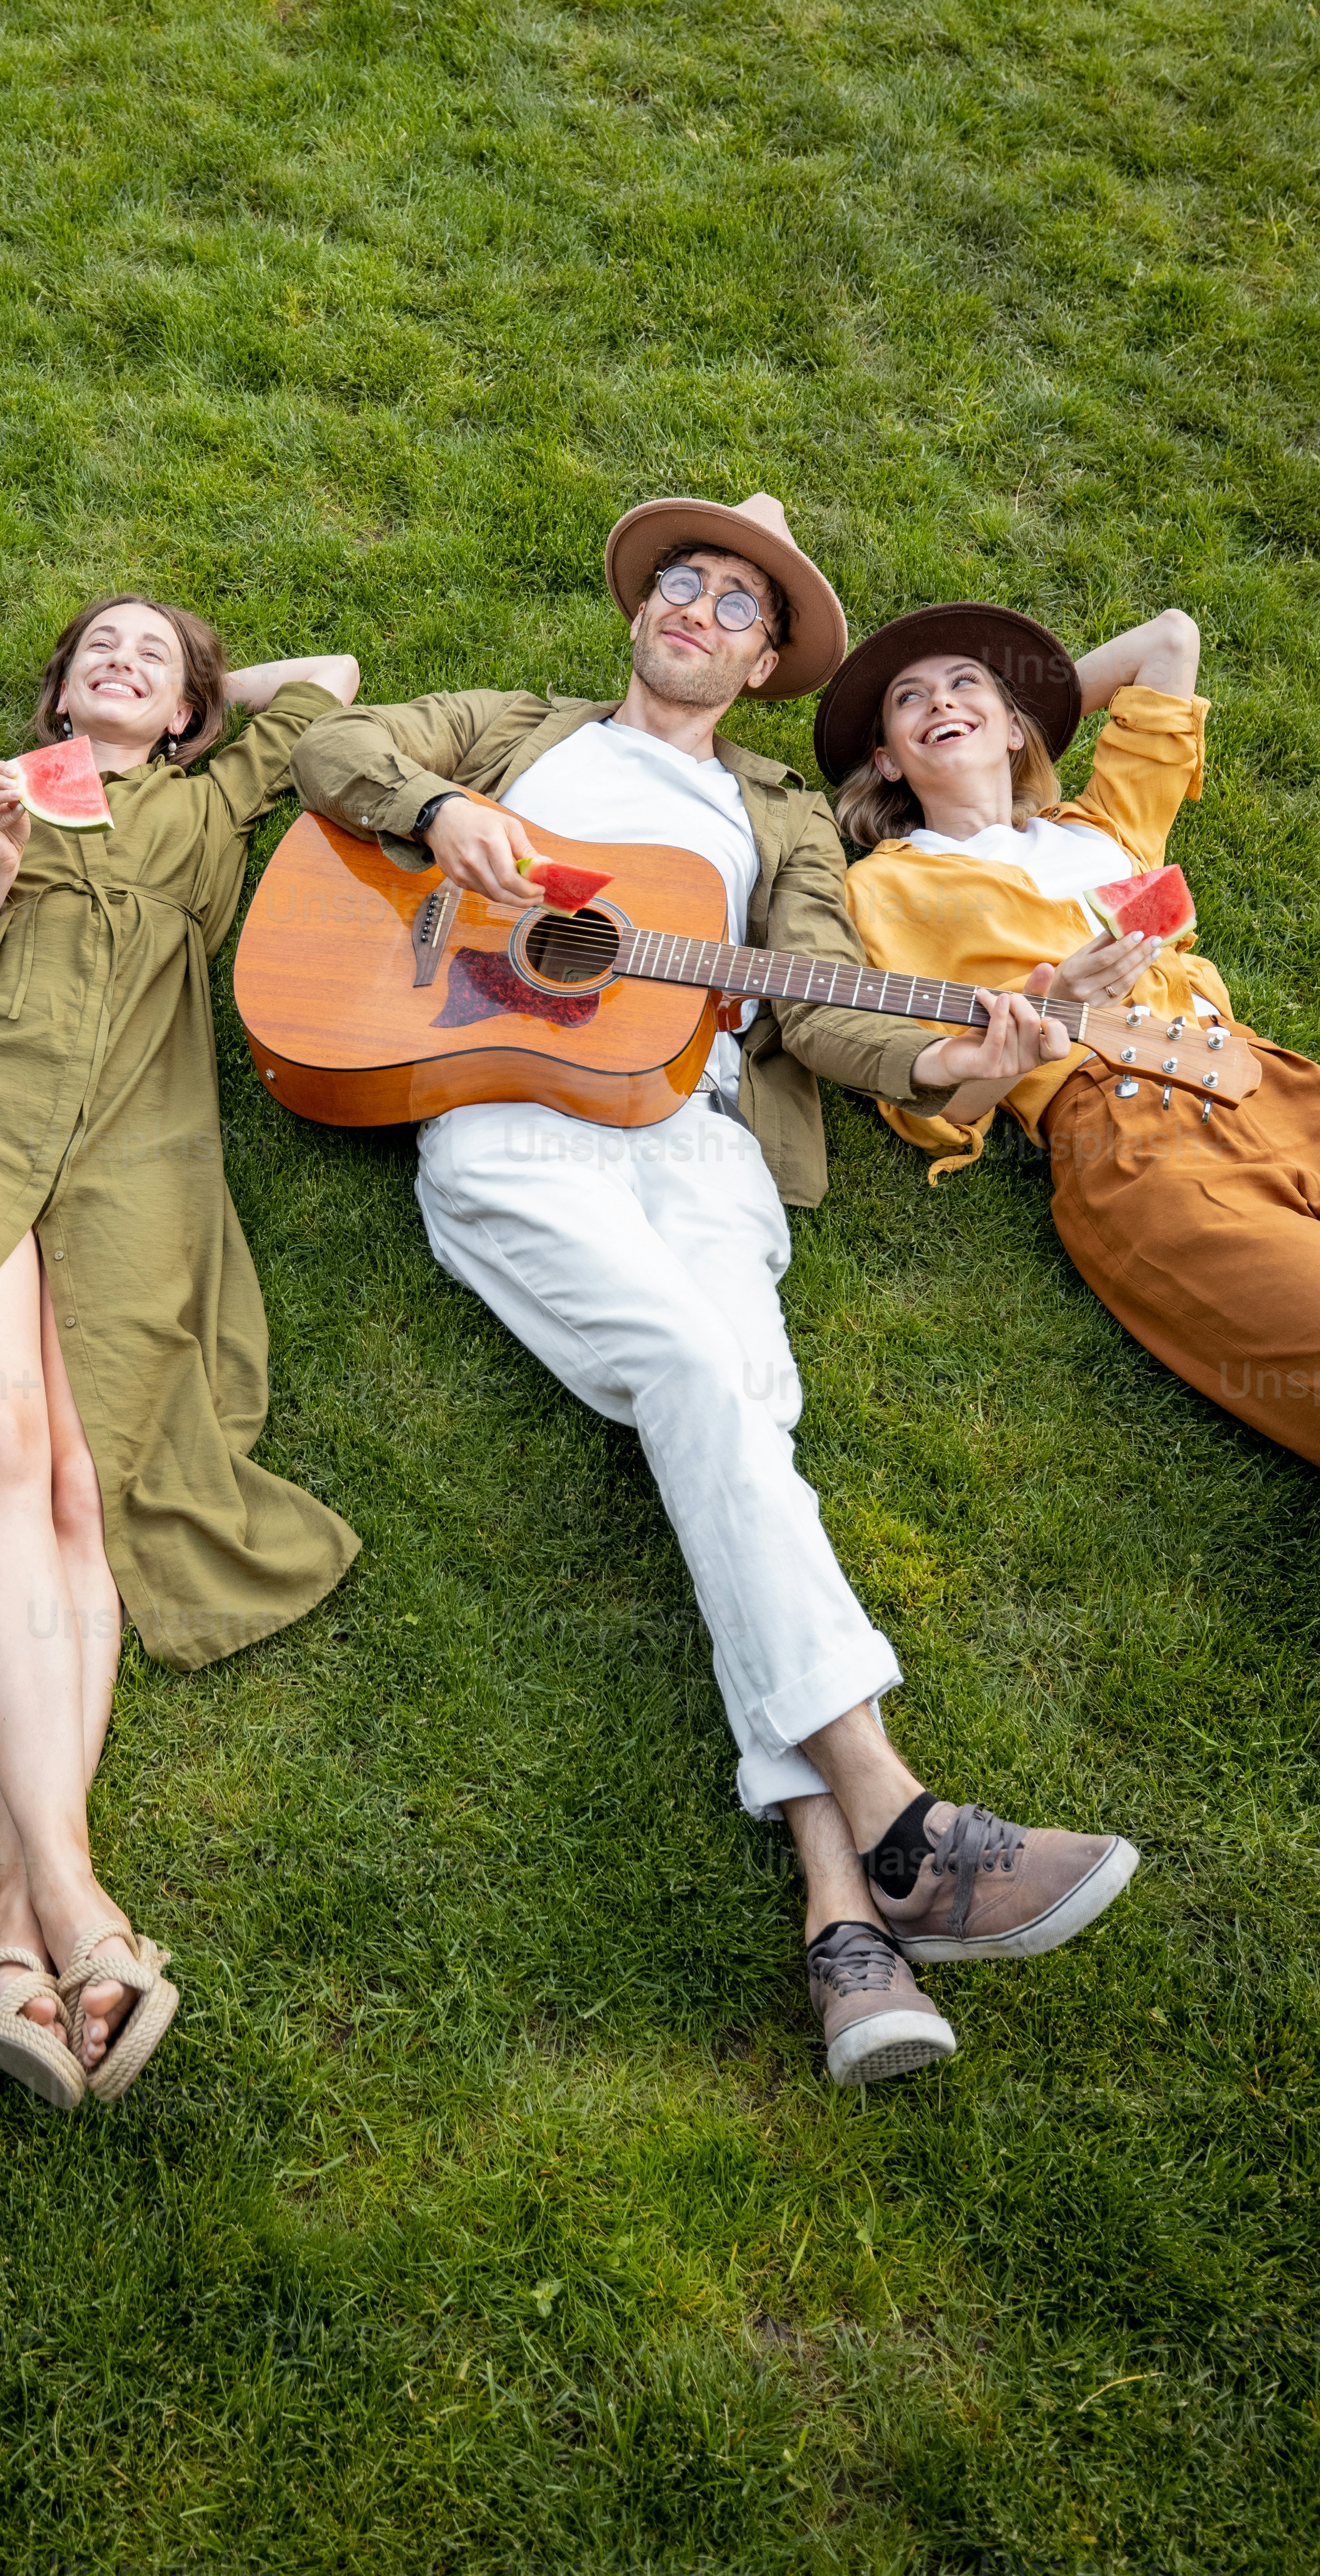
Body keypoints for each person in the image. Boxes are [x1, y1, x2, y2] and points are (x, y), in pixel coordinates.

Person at [291, 497, 1139, 2089]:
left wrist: (962, 1057)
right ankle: (895, 1813)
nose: (697, 603)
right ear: (639, 612)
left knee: (742, 1422)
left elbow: (826, 1009)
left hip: (700, 1143)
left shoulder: (780, 816)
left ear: (762, 666)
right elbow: (327, 746)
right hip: (511, 1107)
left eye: (736, 602)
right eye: (679, 578)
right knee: (698, 1374)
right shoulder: (515, 728)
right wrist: (436, 810)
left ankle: (849, 1930)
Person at [0, 598, 361, 2112]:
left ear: (185, 715)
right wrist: (3, 866)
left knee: (95, 1482)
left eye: (151, 658)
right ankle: (81, 1910)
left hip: (139, 1143)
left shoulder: (217, 794)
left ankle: (11, 1938)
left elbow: (331, 684)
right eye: (94, 645)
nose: (119, 657)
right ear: (51, 694)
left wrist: (203, 710)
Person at [817, 597, 1320, 1458]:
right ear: (885, 761)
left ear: (1017, 731)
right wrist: (1050, 1008)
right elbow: (938, 1105)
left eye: (962, 686)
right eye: (909, 701)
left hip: (1272, 1082)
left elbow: (1169, 640)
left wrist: (1025, 715)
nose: (939, 703)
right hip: (1127, 1136)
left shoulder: (1104, 828)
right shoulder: (879, 889)